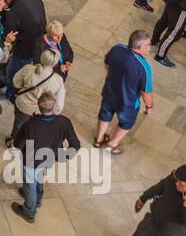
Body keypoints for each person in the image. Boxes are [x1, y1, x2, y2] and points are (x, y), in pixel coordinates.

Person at [9, 91, 79, 223]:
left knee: (30, 184)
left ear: (39, 107)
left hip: (30, 159)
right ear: (53, 108)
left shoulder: (31, 124)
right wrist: (61, 156)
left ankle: (29, 211)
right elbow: (75, 144)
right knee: (39, 176)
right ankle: (38, 198)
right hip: (49, 158)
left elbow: (18, 144)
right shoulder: (64, 122)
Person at [95, 31, 154, 154]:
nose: (150, 47)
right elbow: (146, 93)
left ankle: (98, 140)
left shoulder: (117, 48)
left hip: (109, 94)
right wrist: (149, 106)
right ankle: (111, 145)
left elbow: (107, 64)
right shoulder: (144, 67)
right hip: (128, 103)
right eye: (148, 44)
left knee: (104, 116)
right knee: (126, 123)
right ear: (139, 47)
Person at [2, 0, 47, 95]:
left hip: (24, 50)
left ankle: (11, 94)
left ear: (6, 0)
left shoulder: (13, 13)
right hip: (41, 43)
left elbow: (10, 35)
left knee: (13, 72)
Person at [10, 49, 65, 138]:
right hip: (41, 112)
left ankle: (13, 143)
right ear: (54, 64)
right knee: (33, 132)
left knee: (18, 127)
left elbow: (16, 83)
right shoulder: (58, 80)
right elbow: (59, 104)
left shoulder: (28, 68)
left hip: (23, 105)